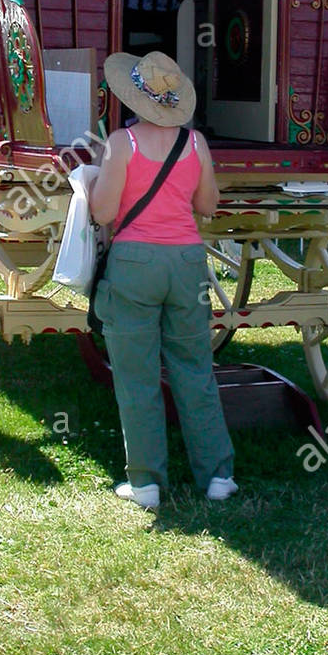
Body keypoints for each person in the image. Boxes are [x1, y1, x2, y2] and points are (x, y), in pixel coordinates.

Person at [89, 50, 236, 511]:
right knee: (195, 368)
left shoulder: (121, 143)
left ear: (132, 97)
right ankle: (217, 476)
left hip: (134, 263)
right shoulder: (196, 145)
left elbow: (104, 212)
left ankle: (147, 482)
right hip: (188, 263)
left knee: (137, 376)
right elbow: (208, 205)